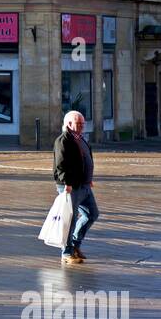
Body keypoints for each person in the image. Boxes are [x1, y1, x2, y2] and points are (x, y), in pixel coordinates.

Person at [52, 110, 100, 265]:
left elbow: (86, 159)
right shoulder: (63, 140)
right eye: (77, 123)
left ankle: (75, 245)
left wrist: (89, 179)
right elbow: (60, 165)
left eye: (82, 123)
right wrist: (67, 184)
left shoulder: (81, 139)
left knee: (92, 214)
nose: (80, 126)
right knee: (69, 219)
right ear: (68, 124)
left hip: (84, 185)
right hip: (71, 187)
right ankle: (66, 253)